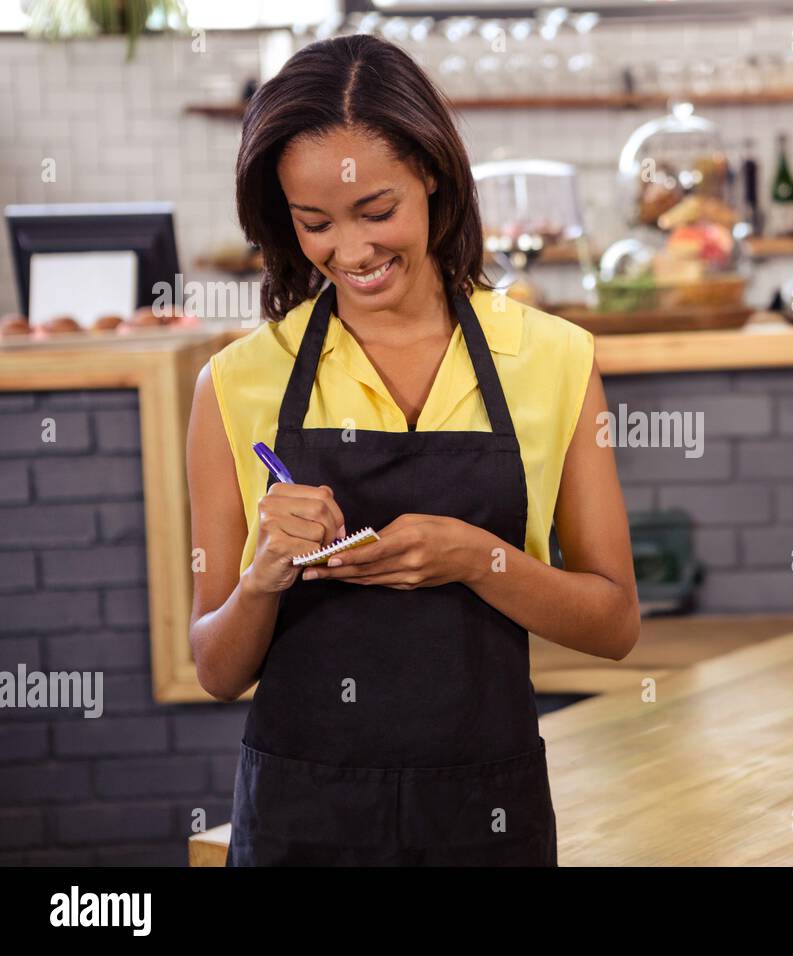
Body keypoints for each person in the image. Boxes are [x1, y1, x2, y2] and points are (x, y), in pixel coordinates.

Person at [185, 34, 639, 865]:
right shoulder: (236, 383)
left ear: (433, 173)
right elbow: (216, 668)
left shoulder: (553, 360)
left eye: (377, 211)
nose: (350, 253)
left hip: (486, 818)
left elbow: (615, 624)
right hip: (302, 822)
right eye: (314, 223)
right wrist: (262, 578)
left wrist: (477, 559)